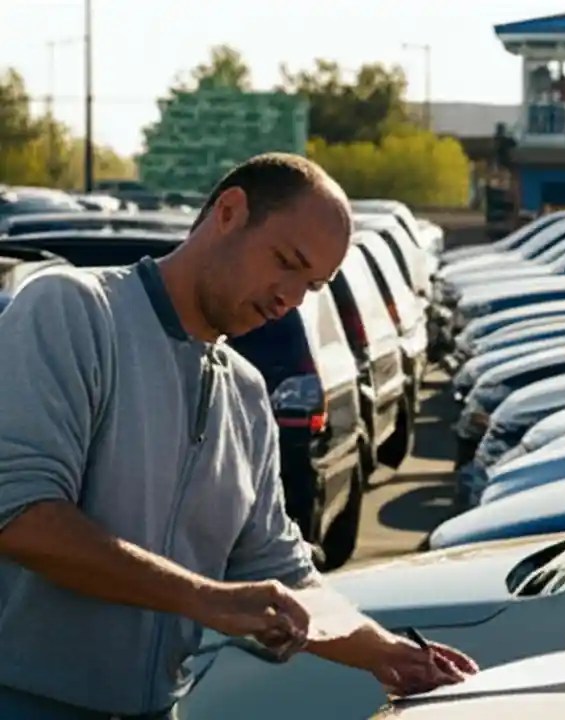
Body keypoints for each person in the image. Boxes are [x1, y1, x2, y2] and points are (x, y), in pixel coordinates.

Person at [0, 152, 478, 719]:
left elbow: (280, 571)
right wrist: (207, 600)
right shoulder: (73, 310)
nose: (290, 298)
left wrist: (389, 654)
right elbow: (20, 515)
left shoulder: (247, 393)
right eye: (286, 262)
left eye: (312, 284)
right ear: (228, 212)